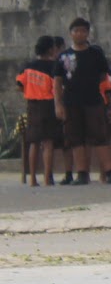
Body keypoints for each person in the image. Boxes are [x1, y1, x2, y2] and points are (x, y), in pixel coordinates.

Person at [54, 17, 111, 185]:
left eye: (83, 31)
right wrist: (58, 104)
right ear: (71, 34)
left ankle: (110, 172)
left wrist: (108, 100)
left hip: (94, 100)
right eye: (76, 31)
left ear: (88, 33)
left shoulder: (95, 53)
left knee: (100, 136)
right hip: (71, 102)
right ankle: (82, 173)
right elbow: (57, 82)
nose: (80, 34)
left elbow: (104, 76)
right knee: (76, 138)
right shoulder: (64, 56)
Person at [17, 35, 61, 187]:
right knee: (48, 142)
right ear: (50, 49)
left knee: (33, 142)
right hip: (48, 105)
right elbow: (57, 88)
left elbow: (19, 85)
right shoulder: (54, 66)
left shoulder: (27, 66)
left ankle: (32, 179)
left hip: (32, 105)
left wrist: (30, 90)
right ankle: (48, 178)